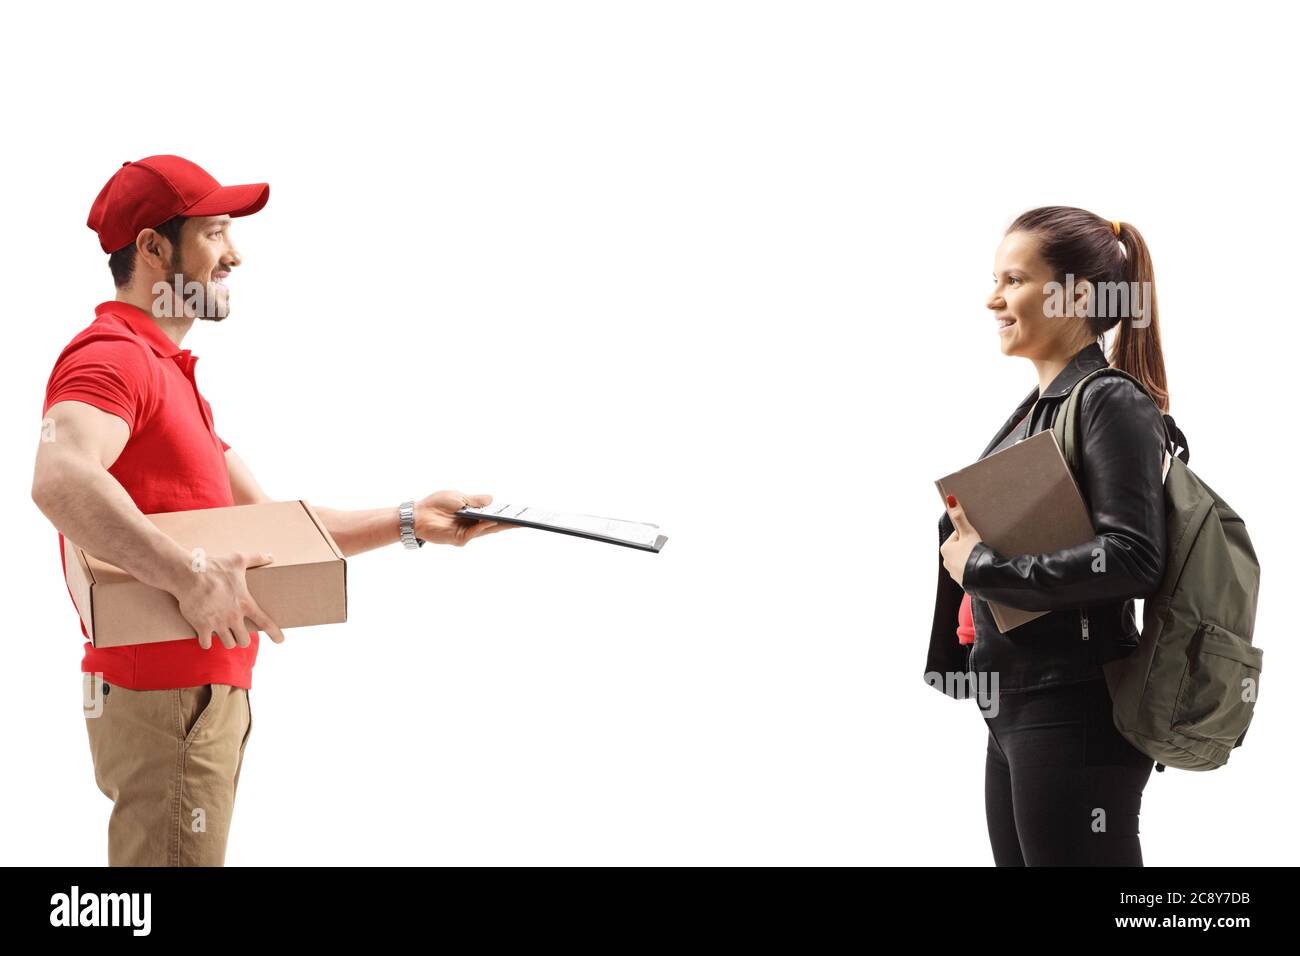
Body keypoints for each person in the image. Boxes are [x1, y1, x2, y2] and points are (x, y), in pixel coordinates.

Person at [31, 155, 516, 866]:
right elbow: (60, 479)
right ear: (153, 247)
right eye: (215, 233)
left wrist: (413, 520)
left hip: (195, 700)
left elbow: (277, 529)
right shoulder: (115, 356)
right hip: (171, 701)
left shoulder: (170, 377)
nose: (235, 254)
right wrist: (188, 572)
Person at [923, 206, 1174, 865]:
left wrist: (983, 566)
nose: (992, 298)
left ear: (1076, 295)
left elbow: (1133, 558)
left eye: (1013, 279)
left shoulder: (1109, 401)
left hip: (1072, 708)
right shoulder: (1039, 411)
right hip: (1017, 703)